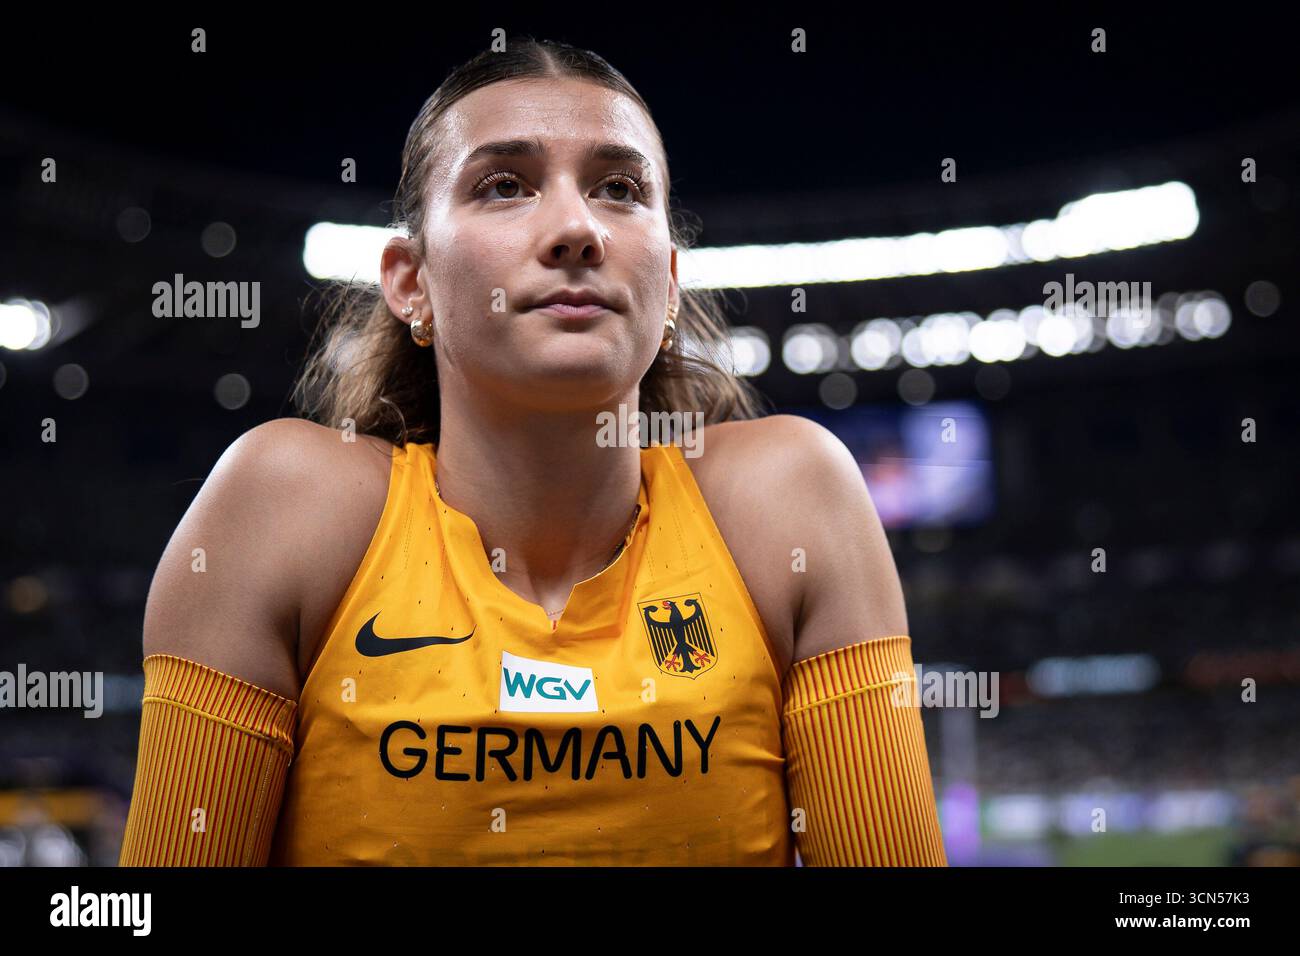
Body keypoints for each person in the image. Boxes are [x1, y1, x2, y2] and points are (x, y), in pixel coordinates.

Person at [117, 38, 946, 866]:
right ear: (411, 282)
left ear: (669, 282)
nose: (576, 228)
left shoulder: (791, 503)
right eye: (504, 185)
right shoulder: (283, 509)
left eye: (619, 189)